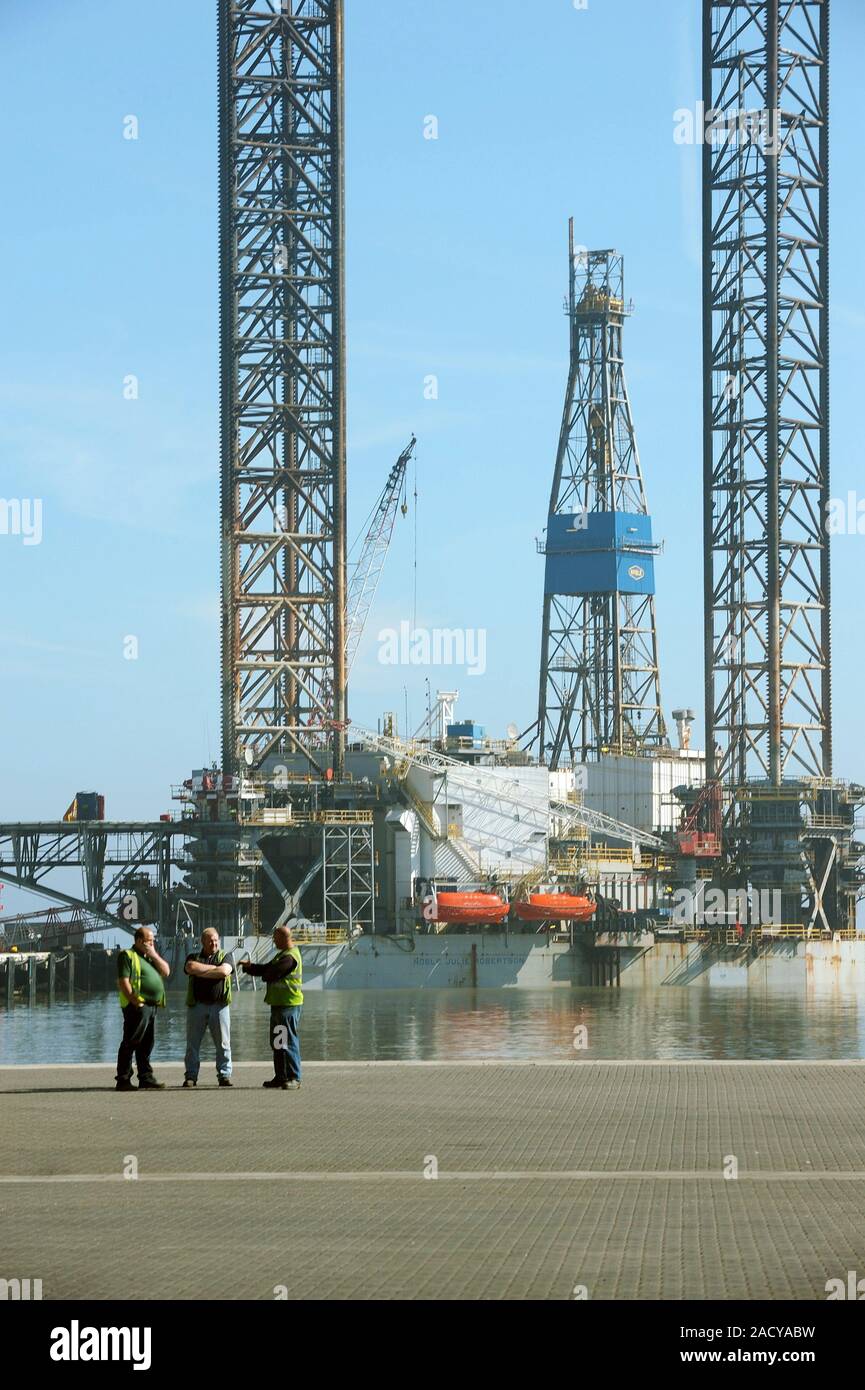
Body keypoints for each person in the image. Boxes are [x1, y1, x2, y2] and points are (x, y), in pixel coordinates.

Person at [241, 925, 303, 1090]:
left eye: (275, 938)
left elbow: (270, 974)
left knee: (288, 1042)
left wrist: (264, 973)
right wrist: (250, 968)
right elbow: (267, 969)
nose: (273, 940)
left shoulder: (290, 957)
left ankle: (294, 1077)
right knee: (278, 1042)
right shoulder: (281, 956)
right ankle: (280, 1076)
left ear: (284, 938)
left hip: (288, 1005)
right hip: (278, 1006)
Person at [115, 926, 170, 1091]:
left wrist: (153, 953)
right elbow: (123, 981)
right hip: (137, 1006)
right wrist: (134, 1000)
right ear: (139, 941)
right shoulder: (127, 956)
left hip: (152, 1006)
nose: (152, 944)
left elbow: (166, 971)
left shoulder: (150, 957)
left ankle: (146, 1077)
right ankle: (123, 1079)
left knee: (147, 1043)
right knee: (131, 1041)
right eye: (150, 941)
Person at [183, 927, 233, 1088]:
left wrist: (201, 972)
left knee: (223, 1044)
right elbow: (190, 968)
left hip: (219, 1007)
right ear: (202, 942)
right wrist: (214, 969)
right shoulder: (193, 957)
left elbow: (225, 971)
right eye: (210, 940)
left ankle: (224, 1075)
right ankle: (191, 1076)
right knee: (192, 1044)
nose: (214, 943)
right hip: (197, 1006)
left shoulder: (226, 956)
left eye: (216, 940)